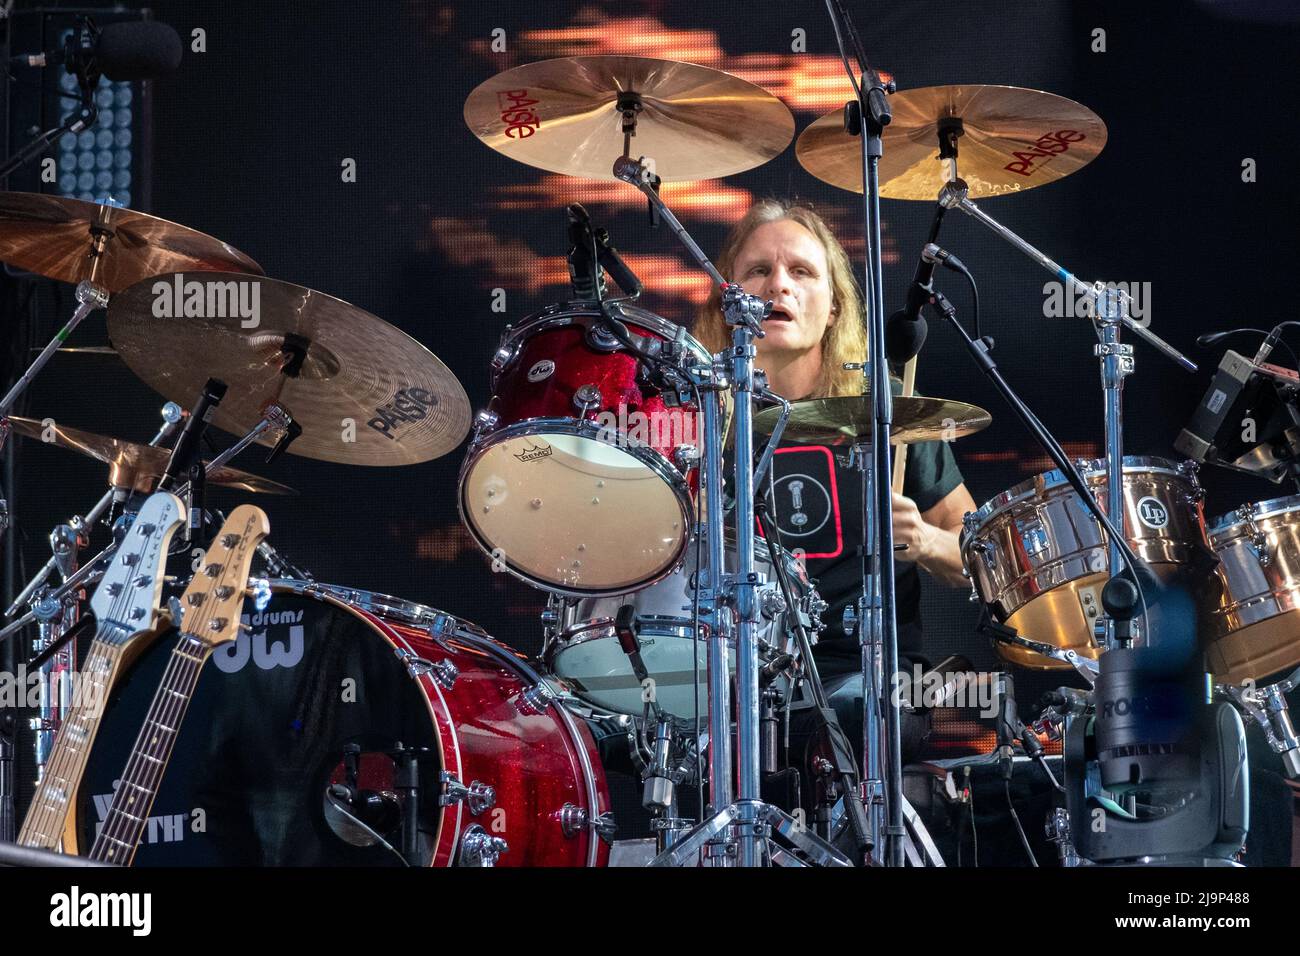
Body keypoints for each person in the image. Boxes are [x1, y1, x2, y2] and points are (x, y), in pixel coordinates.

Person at [693, 197, 978, 763]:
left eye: (801, 271)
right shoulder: (698, 418)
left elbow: (980, 560)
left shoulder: (887, 411)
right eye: (758, 272)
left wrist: (922, 539)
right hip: (727, 678)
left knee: (856, 714)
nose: (779, 286)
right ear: (729, 303)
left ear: (833, 307)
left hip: (866, 677)